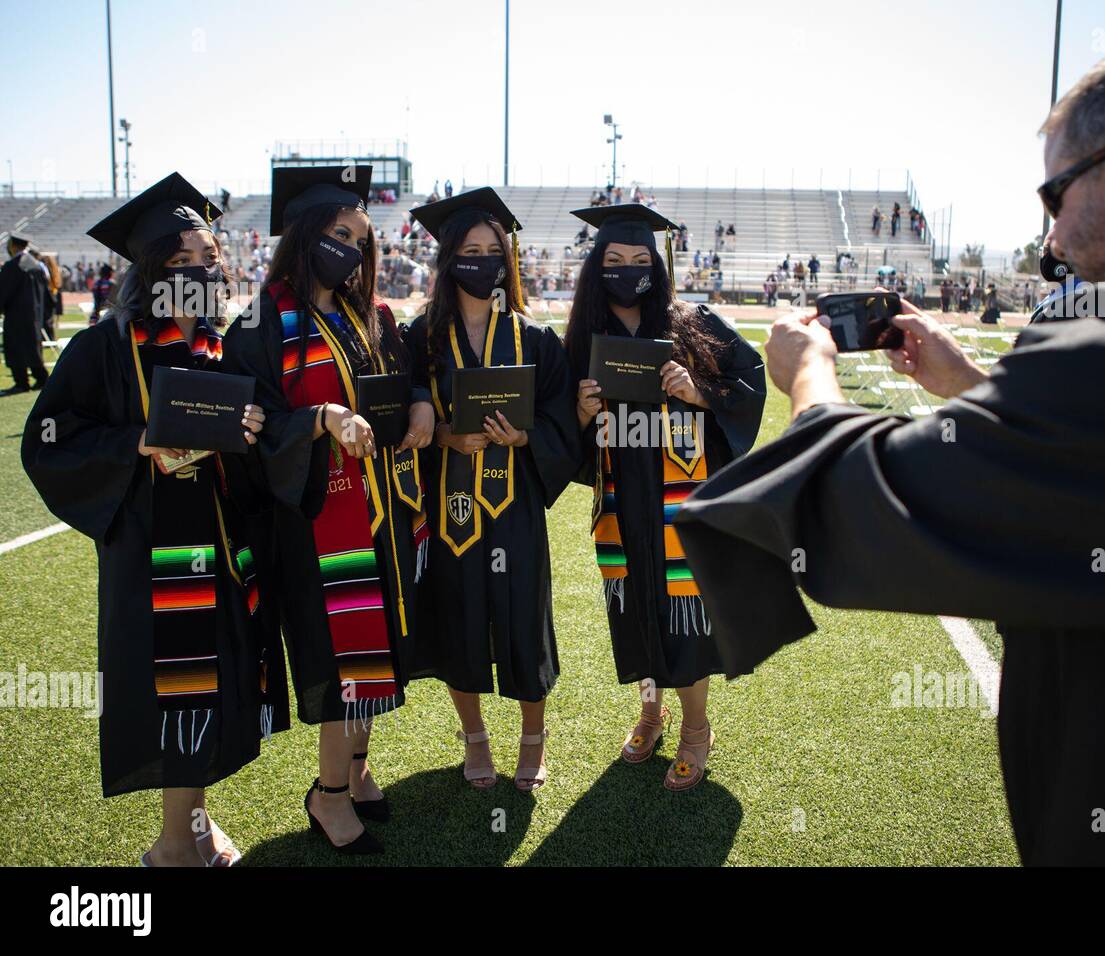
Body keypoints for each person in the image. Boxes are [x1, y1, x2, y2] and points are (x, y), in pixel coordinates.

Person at [673, 30, 1105, 865]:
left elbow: (868, 509)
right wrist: (971, 384)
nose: (1052, 242)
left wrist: (810, 380)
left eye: (1055, 197)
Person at [21, 173, 286, 866]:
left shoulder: (220, 347)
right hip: (152, 552)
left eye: (210, 259)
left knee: (213, 683)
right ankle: (174, 844)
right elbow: (47, 440)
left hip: (222, 545)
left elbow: (248, 450)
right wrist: (136, 443)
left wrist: (250, 428)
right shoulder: (104, 349)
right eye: (183, 262)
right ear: (150, 271)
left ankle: (194, 824)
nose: (202, 271)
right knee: (176, 689)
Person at [222, 165, 426, 855]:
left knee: (378, 651)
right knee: (345, 658)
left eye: (363, 240)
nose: (354, 250)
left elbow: (404, 382)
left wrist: (421, 402)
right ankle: (328, 796)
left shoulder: (366, 314)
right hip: (317, 518)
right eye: (342, 234)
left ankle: (358, 772)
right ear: (308, 235)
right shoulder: (262, 320)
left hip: (382, 512)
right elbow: (250, 423)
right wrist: (319, 420)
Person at [564, 203, 766, 791]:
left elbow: (748, 385)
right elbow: (556, 430)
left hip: (678, 499)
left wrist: (699, 391)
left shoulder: (691, 322)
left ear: (657, 264)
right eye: (614, 260)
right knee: (637, 614)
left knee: (685, 616)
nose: (627, 271)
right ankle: (652, 712)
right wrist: (580, 411)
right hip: (621, 501)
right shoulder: (582, 341)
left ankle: (696, 730)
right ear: (596, 268)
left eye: (639, 260)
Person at [403, 189, 579, 791]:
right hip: (450, 506)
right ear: (448, 260)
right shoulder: (420, 339)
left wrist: (529, 440)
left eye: (493, 251)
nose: (483, 262)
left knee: (524, 617)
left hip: (516, 506)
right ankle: (474, 738)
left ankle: (534, 736)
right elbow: (401, 413)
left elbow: (562, 422)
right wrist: (444, 435)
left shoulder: (535, 340)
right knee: (460, 618)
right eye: (470, 251)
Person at [0, 231, 52, 394]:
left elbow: (3, 292)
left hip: (16, 315)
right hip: (35, 315)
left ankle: (21, 383)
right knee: (32, 348)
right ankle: (42, 379)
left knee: (15, 348)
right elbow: (47, 293)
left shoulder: (13, 265)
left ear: (13, 245)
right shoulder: (36, 265)